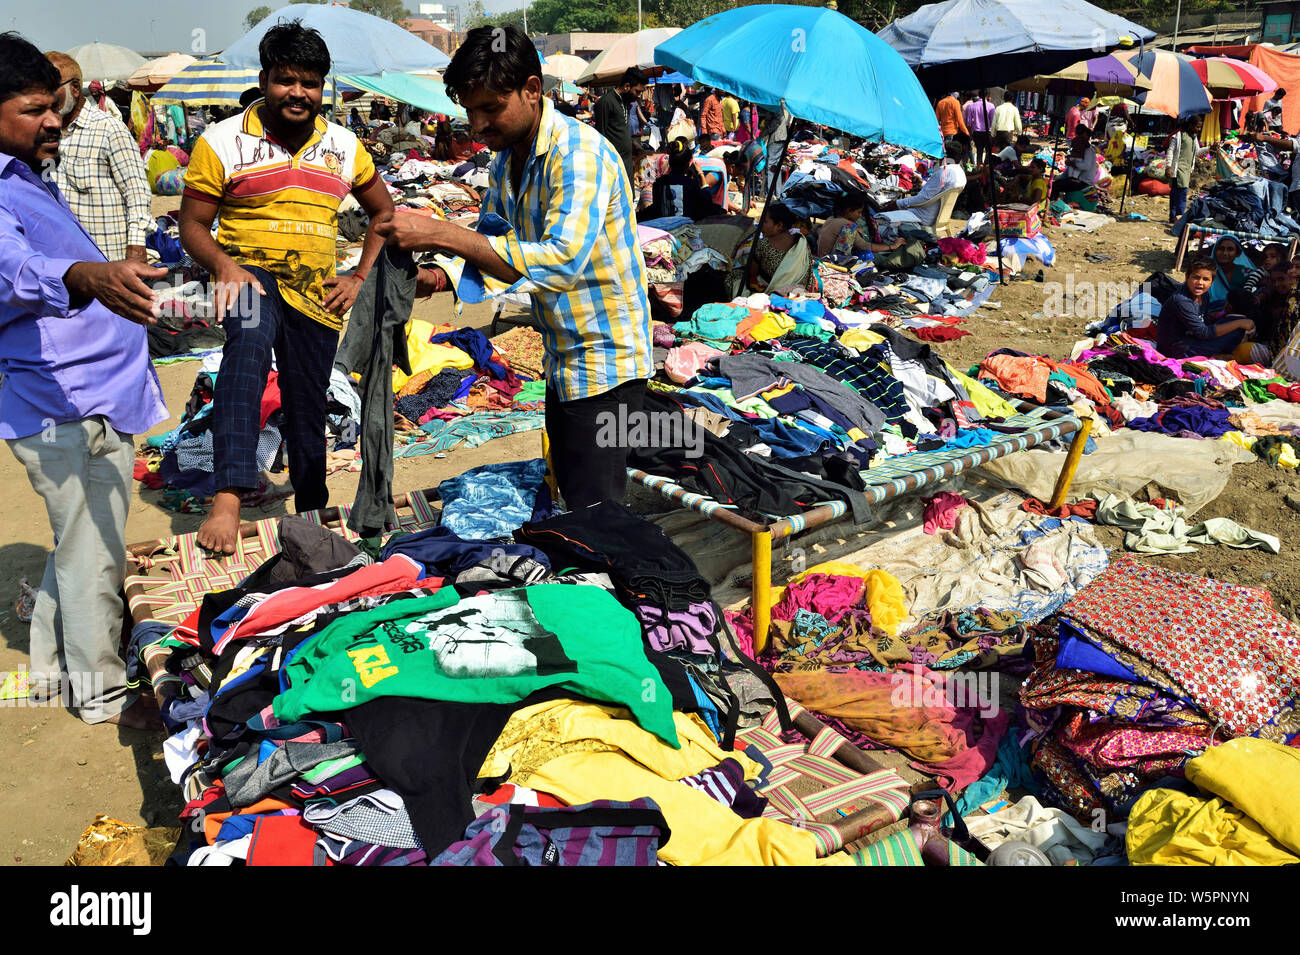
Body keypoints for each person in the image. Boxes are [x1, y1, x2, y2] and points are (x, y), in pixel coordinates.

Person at [378, 25, 651, 511]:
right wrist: (435, 276)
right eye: (470, 111)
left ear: (532, 90)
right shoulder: (507, 161)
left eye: (490, 108)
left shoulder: (578, 155)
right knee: (573, 489)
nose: (478, 125)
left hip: (608, 365)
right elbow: (498, 241)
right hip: (564, 360)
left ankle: (622, 581)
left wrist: (441, 233)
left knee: (599, 510)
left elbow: (559, 261)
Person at [0, 31, 170, 729]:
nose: (53, 121)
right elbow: (11, 268)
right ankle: (99, 696)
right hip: (61, 403)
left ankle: (48, 673)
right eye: (35, 109)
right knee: (92, 552)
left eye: (56, 105)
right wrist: (82, 274)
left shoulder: (21, 172)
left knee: (76, 546)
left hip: (93, 390)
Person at [178, 20, 396, 555]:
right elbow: (191, 226)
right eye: (285, 80)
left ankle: (311, 504)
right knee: (245, 363)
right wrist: (224, 268)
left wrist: (359, 276)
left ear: (324, 87)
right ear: (264, 79)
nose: (298, 93)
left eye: (311, 82)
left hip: (315, 291)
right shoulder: (222, 141)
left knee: (306, 400)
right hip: (248, 278)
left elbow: (384, 213)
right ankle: (228, 496)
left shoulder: (345, 147)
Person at [44, 52, 151, 264]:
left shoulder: (108, 129)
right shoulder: (44, 135)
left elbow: (137, 192)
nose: (45, 97)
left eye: (50, 89)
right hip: (67, 259)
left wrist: (137, 244)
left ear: (74, 88)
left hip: (110, 257)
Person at [1157, 257, 1255, 359]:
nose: (1200, 282)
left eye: (1206, 279)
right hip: (1175, 347)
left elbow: (1204, 320)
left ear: (1212, 281)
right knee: (1236, 328)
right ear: (1187, 277)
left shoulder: (1204, 295)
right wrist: (1239, 323)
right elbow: (1204, 333)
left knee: (1228, 316)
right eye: (1196, 277)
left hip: (1192, 336)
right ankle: (1215, 355)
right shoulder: (1182, 301)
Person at [878, 138, 968, 227]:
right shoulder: (960, 173)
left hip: (922, 216)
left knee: (879, 218)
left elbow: (923, 198)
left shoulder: (943, 172)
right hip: (937, 216)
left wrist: (897, 203)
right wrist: (922, 183)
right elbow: (938, 192)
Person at [593, 68, 645, 185]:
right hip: (613, 168)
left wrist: (632, 143)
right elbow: (600, 136)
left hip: (626, 165)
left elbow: (619, 131)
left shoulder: (625, 103)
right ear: (626, 86)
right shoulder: (606, 102)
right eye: (637, 91)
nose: (639, 96)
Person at [747, 202, 814, 292]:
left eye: (764, 222)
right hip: (798, 293)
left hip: (772, 291)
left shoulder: (763, 244)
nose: (760, 225)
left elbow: (752, 272)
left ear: (779, 225)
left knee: (734, 276)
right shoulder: (802, 242)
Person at [816, 194, 904, 258]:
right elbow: (864, 246)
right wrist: (892, 246)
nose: (860, 216)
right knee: (870, 256)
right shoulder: (848, 225)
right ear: (848, 211)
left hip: (823, 259)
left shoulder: (830, 219)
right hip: (832, 263)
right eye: (858, 212)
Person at [646, 137, 709, 220]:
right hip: (686, 227)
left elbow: (656, 207)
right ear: (688, 164)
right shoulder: (691, 183)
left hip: (663, 225)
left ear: (670, 162)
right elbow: (707, 201)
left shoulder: (659, 182)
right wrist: (701, 174)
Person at [1206, 235, 1259, 309]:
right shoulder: (1206, 271)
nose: (1225, 253)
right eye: (1221, 248)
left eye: (1230, 249)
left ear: (1238, 253)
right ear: (1215, 251)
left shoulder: (1244, 272)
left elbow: (1262, 283)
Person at [1167, 119, 1197, 222]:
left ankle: (1173, 217)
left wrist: (1209, 149)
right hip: (1178, 169)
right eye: (1197, 126)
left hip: (1186, 170)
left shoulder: (1194, 137)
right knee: (1182, 194)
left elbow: (1197, 151)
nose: (1198, 129)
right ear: (1190, 125)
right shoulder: (1179, 136)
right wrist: (1168, 166)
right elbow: (1170, 151)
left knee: (1175, 194)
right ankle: (1179, 217)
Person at [964, 89, 993, 164]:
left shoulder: (972, 106)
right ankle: (986, 169)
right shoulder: (991, 106)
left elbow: (969, 122)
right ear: (987, 96)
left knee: (979, 152)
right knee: (988, 152)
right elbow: (992, 121)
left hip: (976, 132)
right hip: (987, 132)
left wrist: (970, 134)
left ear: (978, 95)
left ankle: (978, 169)